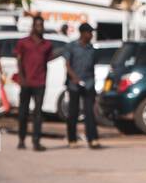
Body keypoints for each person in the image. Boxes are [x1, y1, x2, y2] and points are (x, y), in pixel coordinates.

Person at [15, 14, 55, 152]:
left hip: (40, 82)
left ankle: (36, 141)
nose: (40, 28)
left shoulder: (47, 45)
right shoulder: (23, 42)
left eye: (42, 25)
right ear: (33, 26)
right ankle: (21, 139)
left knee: (38, 113)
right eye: (37, 25)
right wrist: (22, 78)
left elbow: (48, 60)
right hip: (26, 82)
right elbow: (19, 60)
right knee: (23, 112)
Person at [63, 23, 101, 149]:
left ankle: (93, 139)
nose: (91, 35)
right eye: (89, 33)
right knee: (73, 112)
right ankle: (72, 139)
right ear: (83, 33)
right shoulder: (72, 47)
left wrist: (93, 83)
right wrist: (74, 77)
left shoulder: (92, 49)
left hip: (89, 83)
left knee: (89, 112)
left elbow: (93, 66)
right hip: (74, 84)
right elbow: (67, 64)